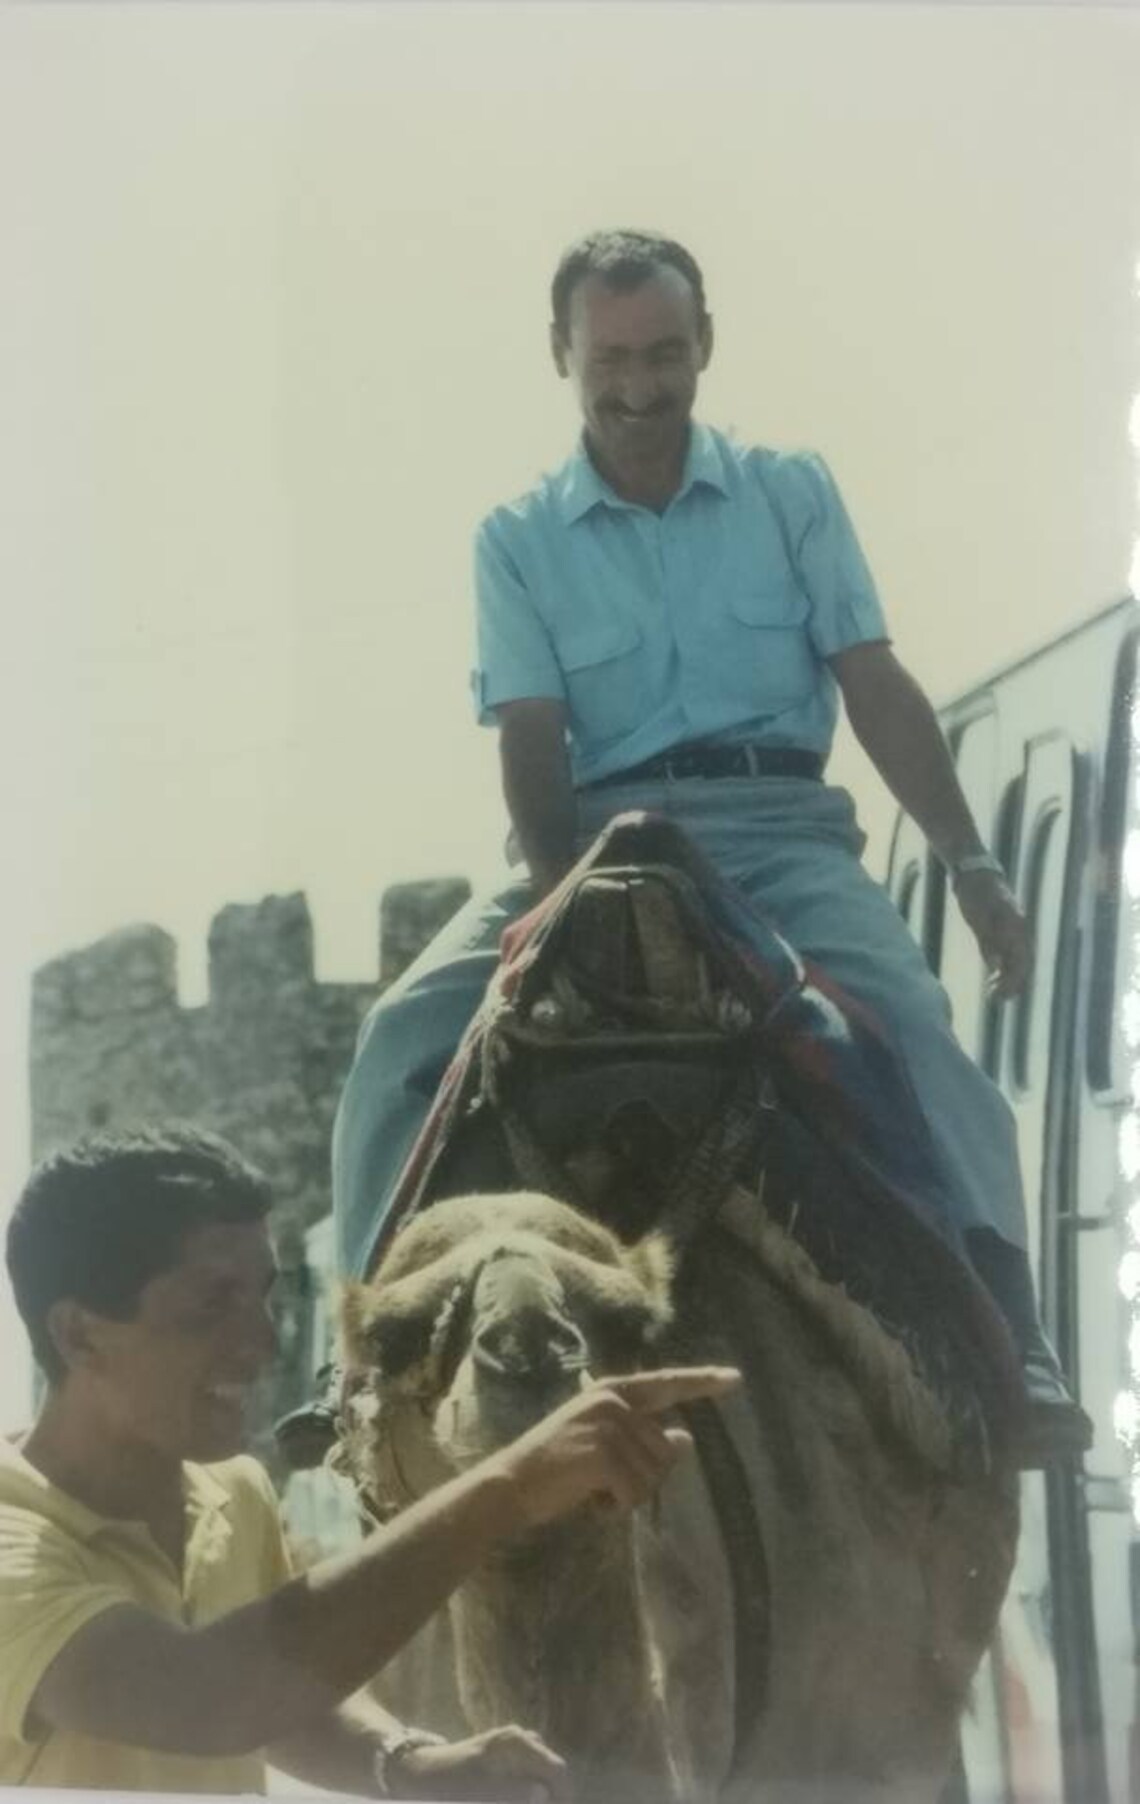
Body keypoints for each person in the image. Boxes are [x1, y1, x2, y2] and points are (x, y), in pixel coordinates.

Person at [331, 227, 1089, 1460]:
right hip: (590, 838)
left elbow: (872, 680)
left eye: (664, 354)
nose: (639, 386)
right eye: (611, 360)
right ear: (563, 355)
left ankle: (1009, 1321)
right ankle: (363, 1355)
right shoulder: (517, 539)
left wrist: (972, 862)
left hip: (779, 836)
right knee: (399, 1039)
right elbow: (531, 736)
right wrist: (555, 897)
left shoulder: (791, 492)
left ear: (706, 346)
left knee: (912, 1021)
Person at [0, 1123, 737, 1794]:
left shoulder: (232, 1491)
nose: (263, 1343)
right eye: (211, 1305)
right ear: (79, 1335)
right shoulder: (11, 1540)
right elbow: (209, 1699)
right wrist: (513, 1484)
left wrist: (406, 1762)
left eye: (263, 1296)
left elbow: (283, 1693)